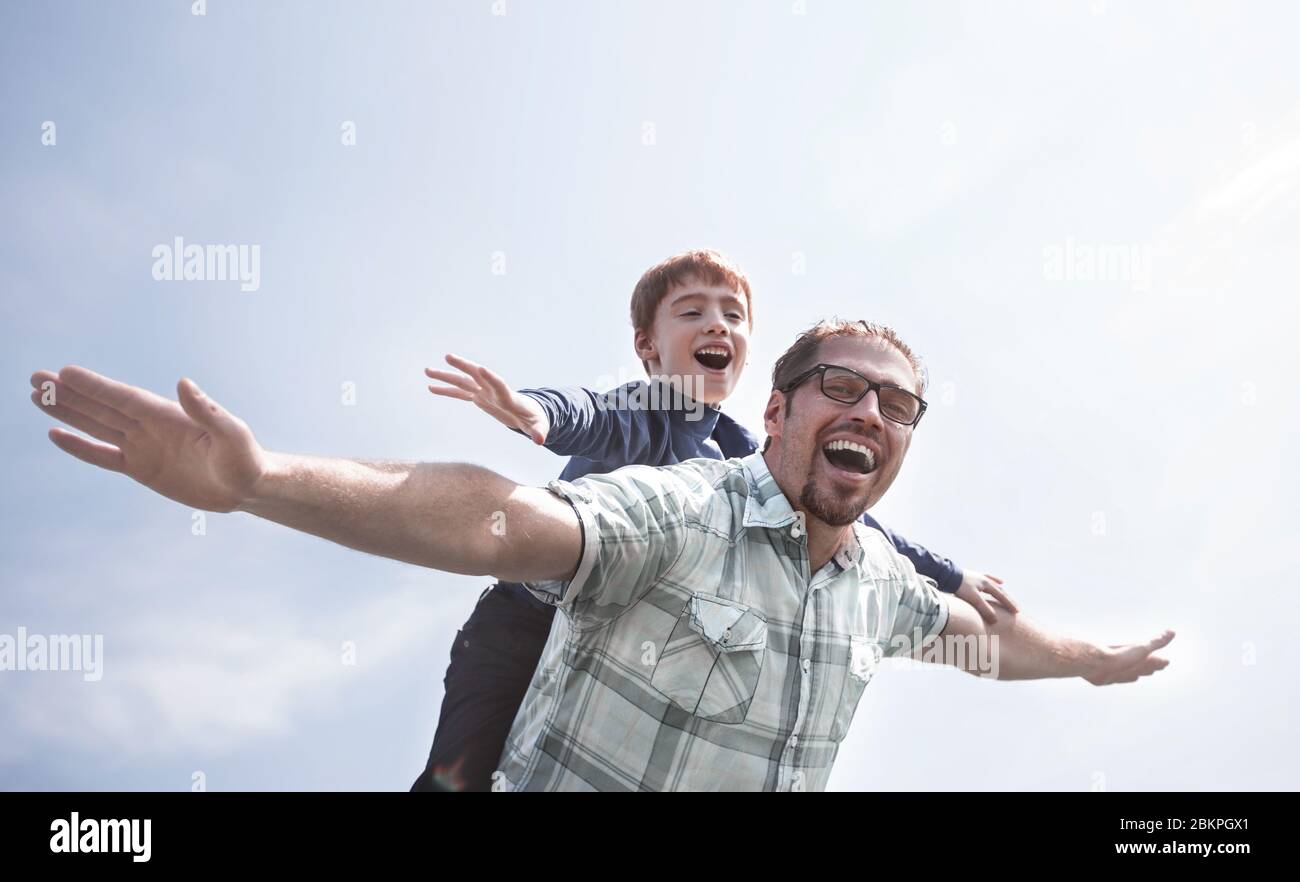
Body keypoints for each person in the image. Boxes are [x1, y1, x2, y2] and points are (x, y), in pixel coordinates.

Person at [27, 320, 1173, 792]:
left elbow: (990, 646)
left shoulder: (881, 586)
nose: (870, 411)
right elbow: (500, 520)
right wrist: (262, 479)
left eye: (898, 405)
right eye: (841, 386)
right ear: (775, 414)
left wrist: (1089, 662)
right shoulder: (687, 506)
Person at [411, 249, 1013, 791]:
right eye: (692, 312)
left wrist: (953, 576)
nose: (717, 325)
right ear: (648, 346)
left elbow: (859, 524)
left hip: (619, 640)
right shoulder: (647, 409)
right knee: (460, 772)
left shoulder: (739, 452)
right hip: (526, 623)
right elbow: (591, 414)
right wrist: (535, 412)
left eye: (733, 314)